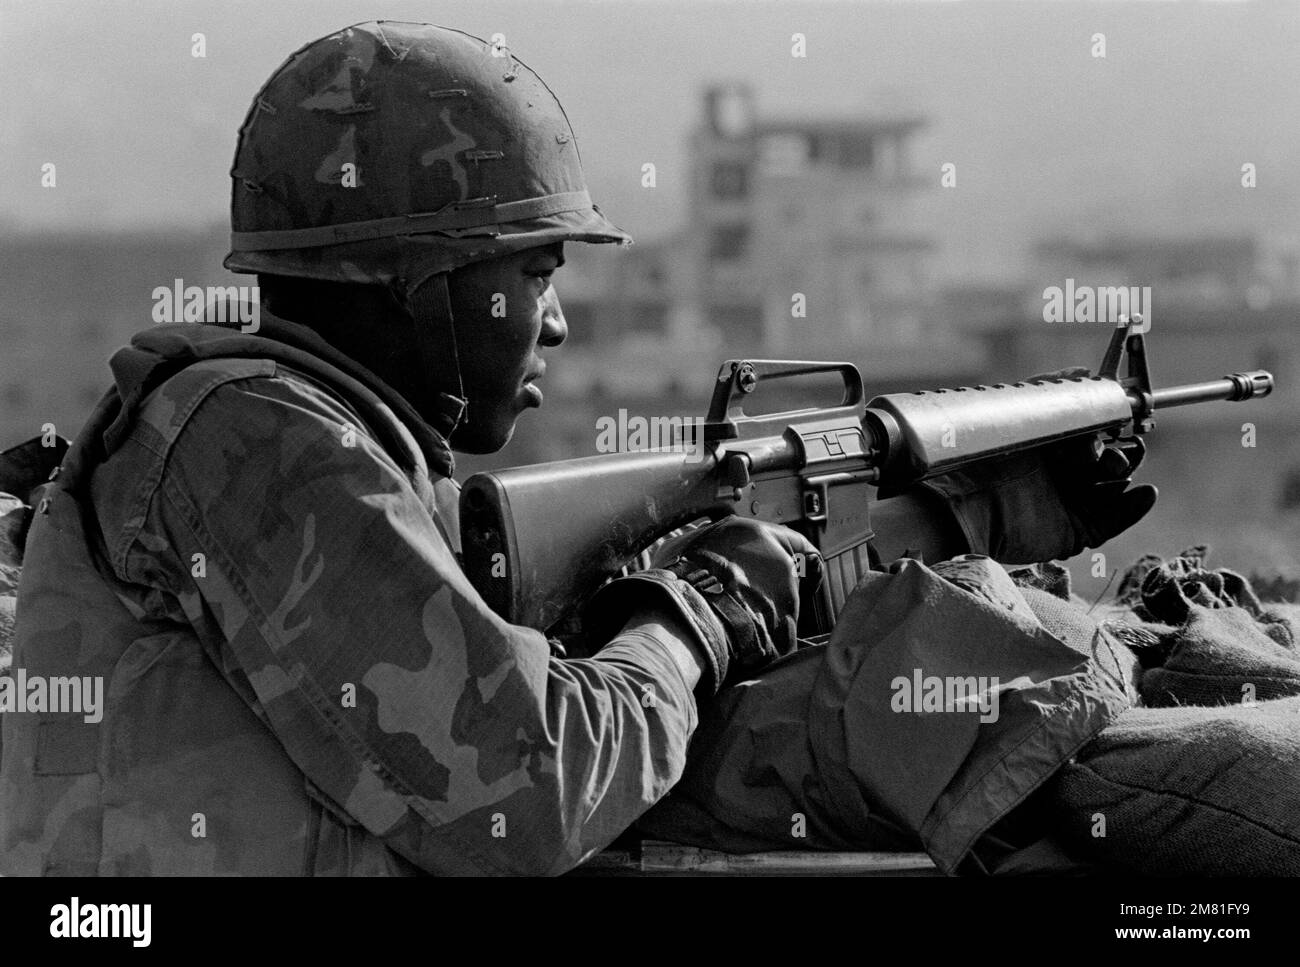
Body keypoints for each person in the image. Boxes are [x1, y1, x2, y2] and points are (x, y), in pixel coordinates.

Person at [0, 21, 1151, 877]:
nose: (554, 320)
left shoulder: (305, 440)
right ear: (429, 285)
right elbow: (525, 792)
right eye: (535, 274)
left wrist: (992, 516)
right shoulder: (257, 446)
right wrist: (692, 612)